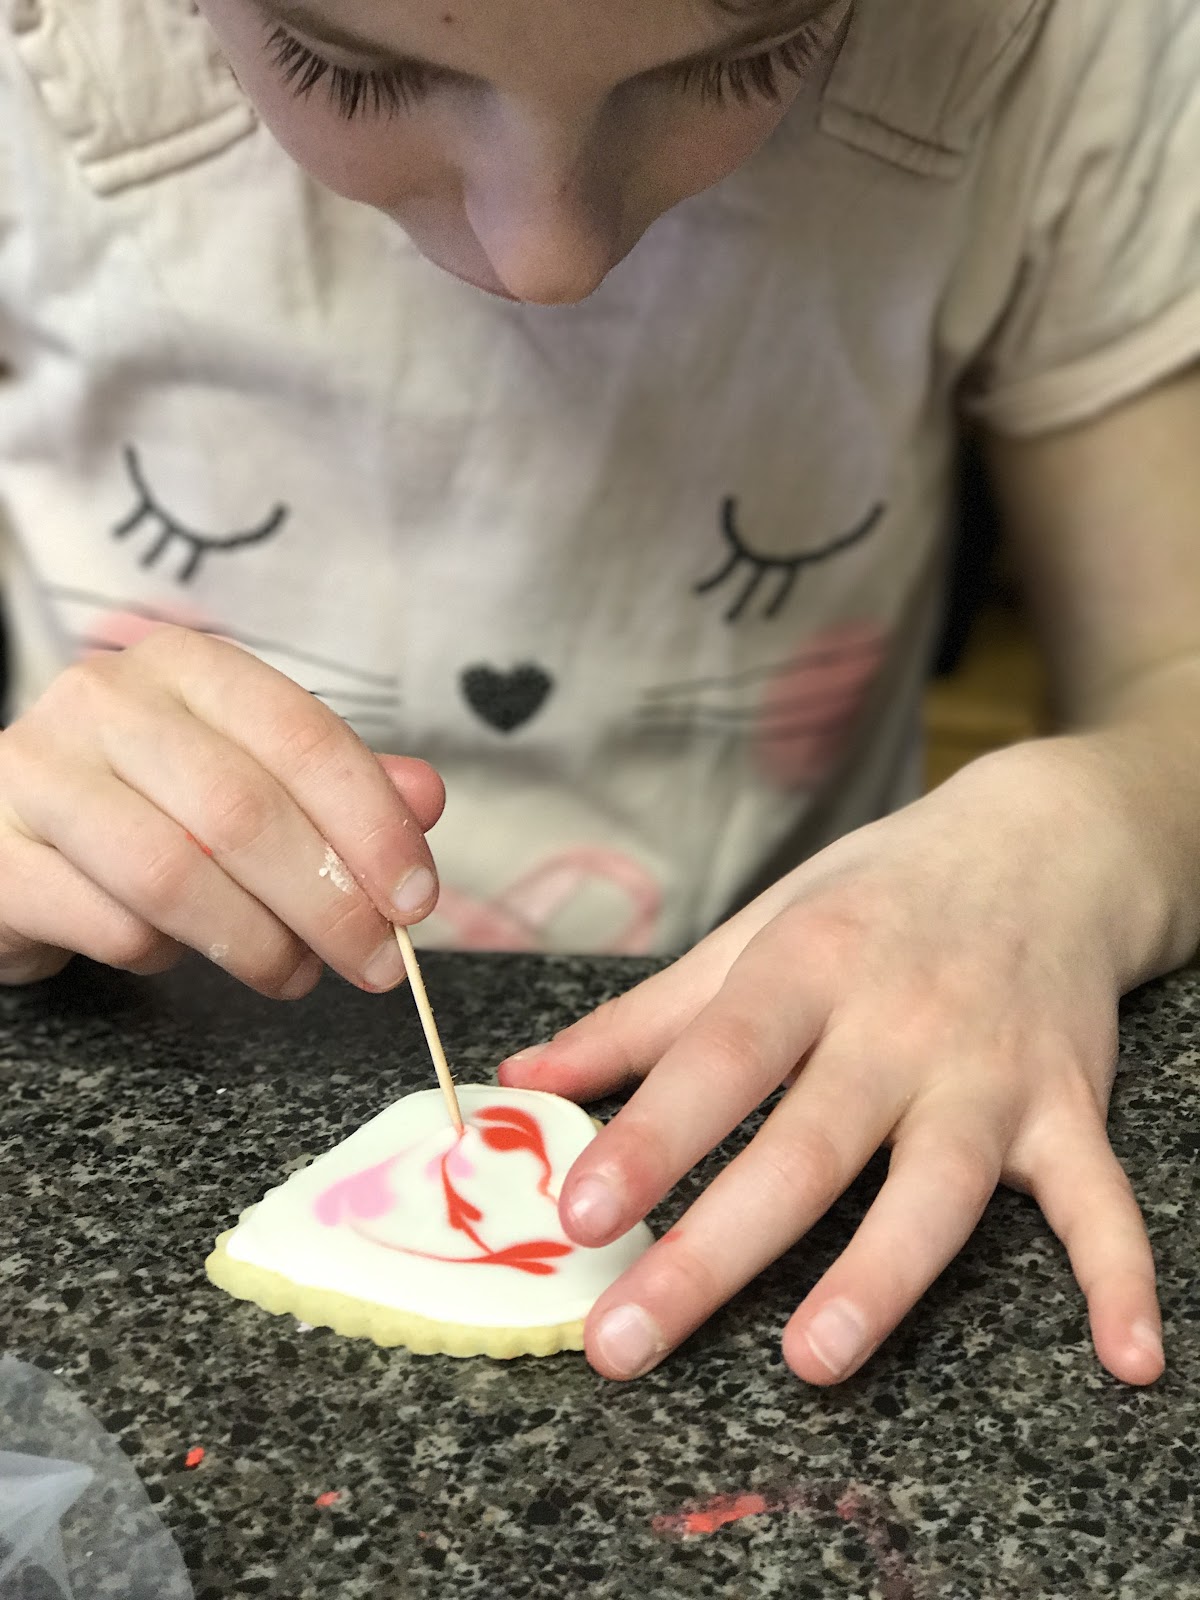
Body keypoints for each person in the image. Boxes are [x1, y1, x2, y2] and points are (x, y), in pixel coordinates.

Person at [1, 0, 1197, 1391]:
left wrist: (1079, 828)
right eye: (352, 69)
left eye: (750, 60)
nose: (547, 257)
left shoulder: (1070, 37)